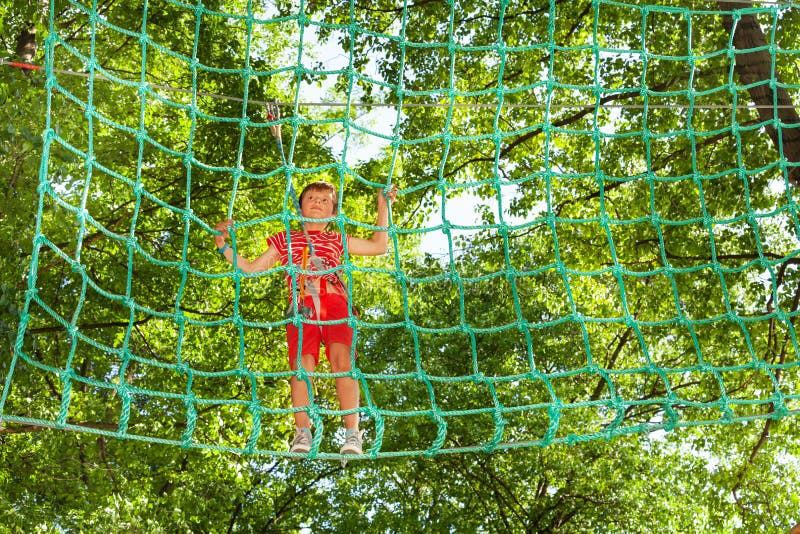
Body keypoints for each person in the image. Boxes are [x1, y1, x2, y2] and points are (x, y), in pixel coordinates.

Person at [213, 180, 396, 456]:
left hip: (336, 303)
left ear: (333, 213)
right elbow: (251, 268)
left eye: (325, 200)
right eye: (311, 197)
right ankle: (302, 433)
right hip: (303, 306)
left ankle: (352, 434)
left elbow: (378, 246)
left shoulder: (337, 239)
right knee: (301, 367)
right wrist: (223, 246)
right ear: (300, 207)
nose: (318, 203)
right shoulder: (286, 238)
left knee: (342, 362)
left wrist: (384, 207)